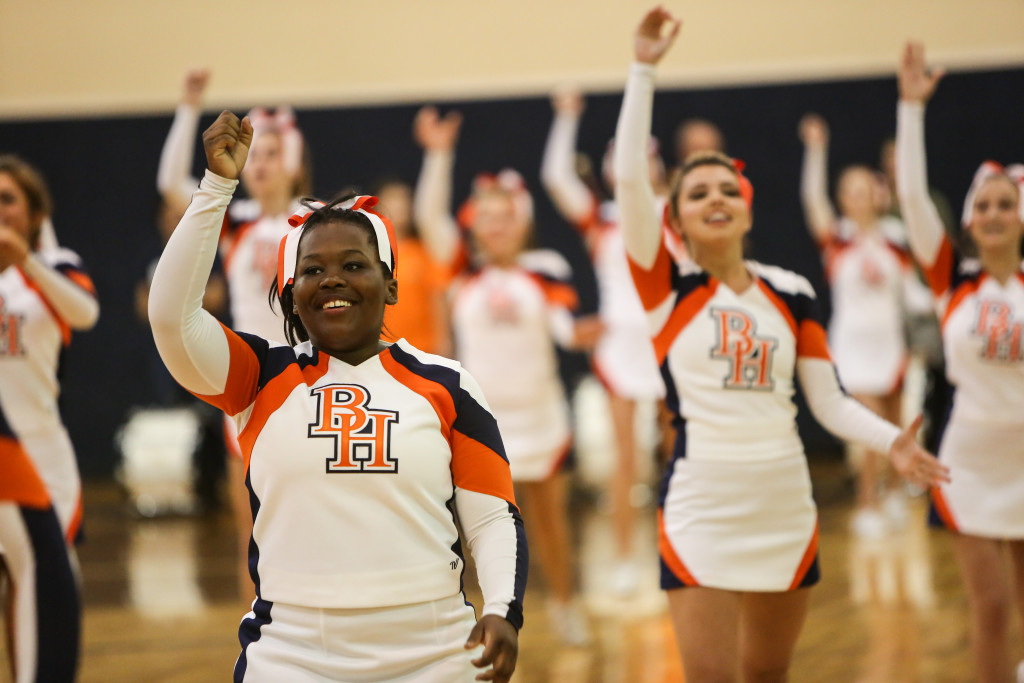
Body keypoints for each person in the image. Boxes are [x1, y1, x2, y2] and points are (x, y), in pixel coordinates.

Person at [615, 9, 949, 680]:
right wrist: (643, 68)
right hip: (701, 504)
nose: (715, 198)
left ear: (747, 205)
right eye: (697, 192)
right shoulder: (664, 290)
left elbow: (826, 402)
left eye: (727, 188)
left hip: (784, 503)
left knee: (768, 674)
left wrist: (893, 441)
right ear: (673, 219)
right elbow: (627, 180)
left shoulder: (790, 290)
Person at [149, 110, 526, 682]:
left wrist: (502, 608)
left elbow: (492, 517)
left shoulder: (448, 384)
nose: (332, 279)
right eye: (312, 269)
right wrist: (218, 186)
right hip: (291, 655)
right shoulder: (256, 377)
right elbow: (171, 318)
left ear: (391, 283)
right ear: (290, 290)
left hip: (437, 652)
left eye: (354, 264)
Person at [414, 105, 601, 645]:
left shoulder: (546, 270)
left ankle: (566, 605)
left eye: (506, 216)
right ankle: (479, 619)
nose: (497, 225)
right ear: (475, 223)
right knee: (479, 532)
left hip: (542, 416)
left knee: (550, 524)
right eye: (487, 216)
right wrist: (439, 153)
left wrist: (587, 332)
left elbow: (565, 329)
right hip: (483, 425)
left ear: (522, 221)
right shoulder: (460, 272)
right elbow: (429, 215)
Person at [896, 41, 1024, 683]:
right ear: (969, 221)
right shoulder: (954, 282)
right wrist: (911, 109)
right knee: (993, 606)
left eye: (1006, 204)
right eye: (984, 206)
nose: (995, 214)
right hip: (971, 460)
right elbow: (914, 199)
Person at [157, 69, 311, 602]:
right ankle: (263, 617)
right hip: (246, 384)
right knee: (253, 524)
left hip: (310, 384)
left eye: (273, 154)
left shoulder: (315, 221)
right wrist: (188, 108)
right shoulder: (238, 221)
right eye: (257, 155)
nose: (261, 164)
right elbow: (172, 188)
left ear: (292, 160)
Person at [540, 88, 670, 595]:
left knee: (678, 449)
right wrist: (567, 117)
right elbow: (555, 175)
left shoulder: (673, 212)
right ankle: (622, 557)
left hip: (668, 339)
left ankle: (678, 550)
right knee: (626, 456)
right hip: (620, 345)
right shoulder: (601, 219)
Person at [798, 113, 930, 536]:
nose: (858, 197)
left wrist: (946, 304)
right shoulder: (836, 239)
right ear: (842, 198)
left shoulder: (895, 238)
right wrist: (816, 149)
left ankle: (894, 493)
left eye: (865, 189)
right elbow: (811, 199)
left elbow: (911, 294)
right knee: (869, 425)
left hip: (890, 344)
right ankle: (866, 502)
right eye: (849, 191)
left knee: (896, 424)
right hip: (852, 346)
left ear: (878, 193)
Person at [0, 154, 99, 682]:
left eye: (8, 199)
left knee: (45, 602)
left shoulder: (56, 264)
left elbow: (85, 312)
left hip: (41, 458)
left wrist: (25, 260)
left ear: (35, 212)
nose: (0, 211)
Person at [372, 177, 451, 355]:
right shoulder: (370, 253)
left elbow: (437, 296)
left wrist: (444, 341)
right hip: (381, 349)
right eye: (392, 200)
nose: (399, 206)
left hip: (422, 349)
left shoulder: (424, 250)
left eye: (404, 200)